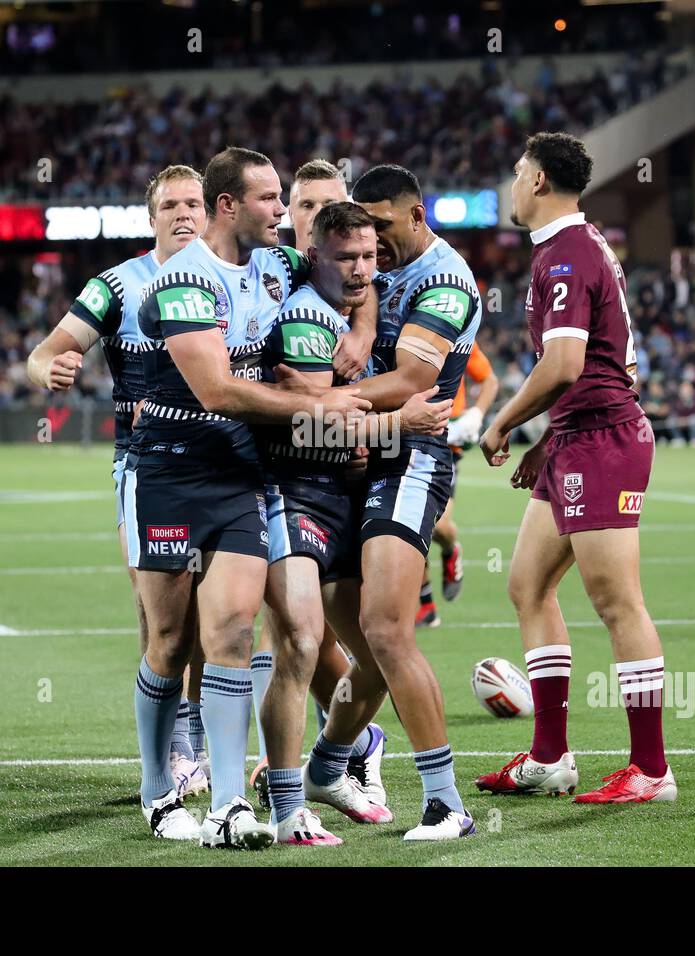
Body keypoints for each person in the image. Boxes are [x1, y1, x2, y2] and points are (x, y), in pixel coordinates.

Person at [128, 146, 369, 848]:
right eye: (270, 199)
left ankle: (230, 805)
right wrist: (319, 406)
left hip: (240, 472)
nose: (285, 212)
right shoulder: (183, 280)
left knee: (233, 631)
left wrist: (359, 332)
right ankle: (156, 789)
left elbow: (354, 275)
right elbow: (217, 391)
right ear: (228, 205)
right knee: (171, 642)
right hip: (171, 472)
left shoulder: (279, 264)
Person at [476, 131, 676, 804]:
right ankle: (550, 757)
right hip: (576, 436)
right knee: (528, 586)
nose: (512, 183)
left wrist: (504, 422)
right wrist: (551, 437)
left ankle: (651, 769)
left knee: (617, 601)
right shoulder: (572, 248)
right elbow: (590, 365)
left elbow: (564, 364)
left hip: (603, 440)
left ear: (537, 181)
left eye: (517, 171)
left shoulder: (567, 255)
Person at [256, 200, 450, 844]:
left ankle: (330, 762)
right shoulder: (307, 320)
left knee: (374, 656)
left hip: (342, 497)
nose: (363, 269)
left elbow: (332, 417)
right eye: (346, 258)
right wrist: (397, 423)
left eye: (369, 255)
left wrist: (351, 423)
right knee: (299, 645)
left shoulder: (347, 310)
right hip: (295, 496)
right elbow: (307, 430)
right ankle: (285, 807)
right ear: (315, 255)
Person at [303, 162, 483, 841]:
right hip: (340, 461)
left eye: (381, 226)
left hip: (407, 459)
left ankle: (446, 803)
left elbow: (411, 378)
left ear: (415, 214)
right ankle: (326, 764)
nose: (370, 242)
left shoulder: (444, 280)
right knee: (359, 645)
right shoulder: (370, 271)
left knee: (385, 629)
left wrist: (317, 403)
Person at [26, 164, 210, 798]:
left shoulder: (238, 278)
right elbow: (44, 351)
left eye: (193, 203)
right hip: (146, 463)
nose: (183, 214)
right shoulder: (116, 286)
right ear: (151, 218)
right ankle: (174, 745)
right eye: (170, 206)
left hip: (227, 462)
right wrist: (50, 369)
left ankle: (197, 734)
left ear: (211, 212)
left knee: (218, 610)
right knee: (159, 607)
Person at [416, 340, 499, 626]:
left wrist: (476, 415)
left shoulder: (458, 334)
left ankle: (451, 549)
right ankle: (426, 605)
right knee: (411, 525)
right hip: (403, 436)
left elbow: (489, 380)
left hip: (446, 445)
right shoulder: (395, 327)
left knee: (436, 526)